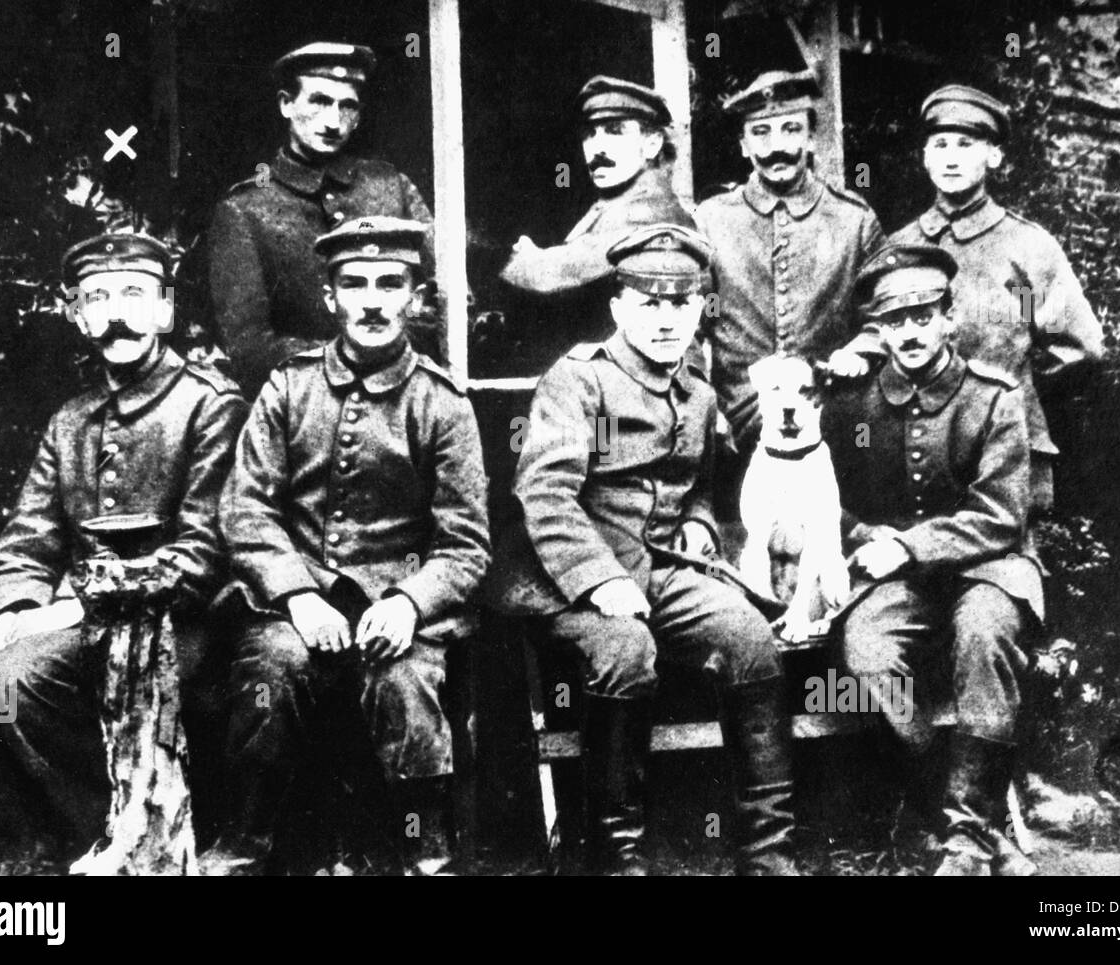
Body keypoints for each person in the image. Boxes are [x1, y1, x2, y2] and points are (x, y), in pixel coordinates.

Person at [0, 233, 246, 855]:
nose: (115, 312)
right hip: (65, 630)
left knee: (13, 684)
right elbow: (26, 542)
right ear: (77, 317)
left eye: (132, 293)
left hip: (177, 628)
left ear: (165, 310)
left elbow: (206, 551)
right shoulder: (71, 419)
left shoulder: (210, 406)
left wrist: (75, 610)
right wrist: (11, 611)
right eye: (96, 297)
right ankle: (36, 842)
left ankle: (106, 839)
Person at [505, 223, 797, 876]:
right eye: (648, 303)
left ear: (699, 308)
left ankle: (769, 852)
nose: (666, 319)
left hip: (660, 571)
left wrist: (697, 521)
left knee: (749, 636)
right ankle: (618, 853)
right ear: (618, 307)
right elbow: (547, 495)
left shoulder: (697, 393)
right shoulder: (580, 382)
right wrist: (601, 580)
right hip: (570, 580)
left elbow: (697, 483)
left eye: (680, 303)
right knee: (628, 651)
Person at [206, 217, 490, 876]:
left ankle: (427, 850)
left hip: (398, 600)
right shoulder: (288, 386)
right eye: (353, 284)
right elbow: (246, 508)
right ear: (330, 297)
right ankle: (245, 844)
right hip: (296, 601)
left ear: (416, 296)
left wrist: (411, 604)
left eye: (391, 283)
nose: (371, 300)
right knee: (271, 670)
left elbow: (466, 541)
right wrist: (298, 596)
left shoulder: (443, 404)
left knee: (407, 681)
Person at [823, 243, 1043, 876]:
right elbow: (823, 499)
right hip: (896, 575)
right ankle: (963, 824)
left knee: (983, 635)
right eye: (894, 321)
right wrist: (866, 535)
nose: (910, 333)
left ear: (950, 316)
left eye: (924, 316)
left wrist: (912, 544)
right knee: (864, 653)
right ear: (878, 329)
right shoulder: (850, 403)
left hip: (989, 565)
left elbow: (1001, 515)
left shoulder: (994, 397)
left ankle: (968, 841)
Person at [888, 84, 1104, 512]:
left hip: (1004, 453)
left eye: (966, 145)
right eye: (940, 145)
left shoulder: (1024, 250)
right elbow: (879, 345)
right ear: (925, 157)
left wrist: (1013, 391)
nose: (951, 158)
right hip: (916, 452)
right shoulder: (900, 248)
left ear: (994, 156)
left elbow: (1079, 349)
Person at [206, 42, 436, 397]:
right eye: (319, 101)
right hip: (303, 406)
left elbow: (447, 301)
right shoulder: (245, 209)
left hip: (403, 394)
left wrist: (389, 360)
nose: (333, 121)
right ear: (286, 104)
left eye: (347, 106)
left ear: (359, 117)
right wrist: (350, 362)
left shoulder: (392, 186)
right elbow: (249, 346)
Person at [695, 69, 885, 456]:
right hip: (736, 425)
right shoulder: (711, 220)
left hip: (834, 420)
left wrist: (860, 352)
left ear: (812, 138)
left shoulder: (854, 220)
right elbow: (688, 327)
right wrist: (703, 404)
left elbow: (884, 315)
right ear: (743, 145)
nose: (776, 146)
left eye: (791, 129)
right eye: (761, 132)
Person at [500, 75, 695, 342]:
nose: (597, 148)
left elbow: (548, 275)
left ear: (652, 144)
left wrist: (500, 255)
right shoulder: (617, 201)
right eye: (590, 134)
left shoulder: (647, 212)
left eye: (615, 130)